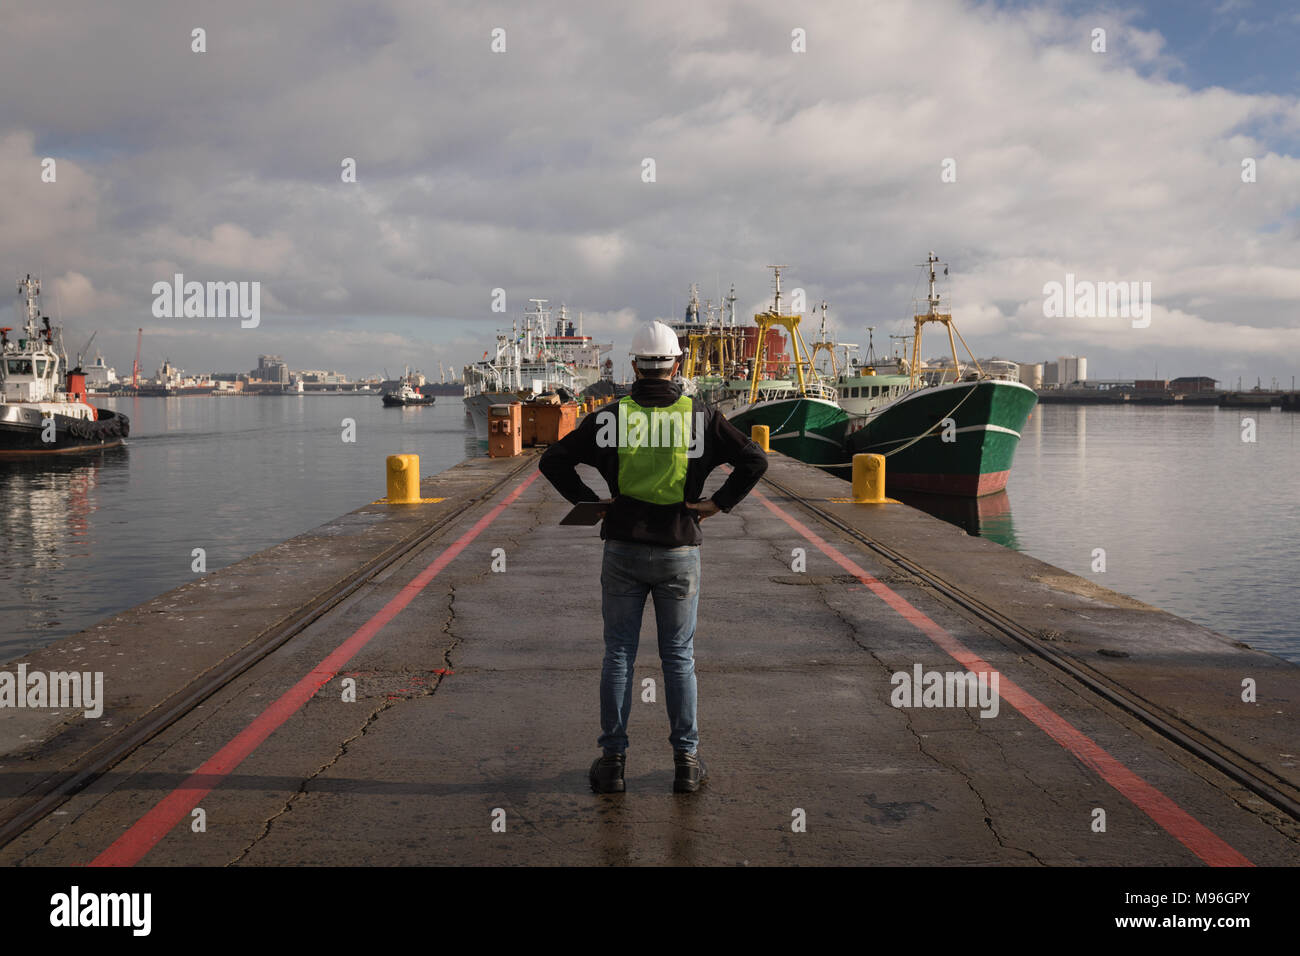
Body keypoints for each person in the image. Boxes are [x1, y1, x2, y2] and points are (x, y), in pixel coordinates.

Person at [539, 319, 768, 794]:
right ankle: (686, 763)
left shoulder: (609, 416)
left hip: (621, 546)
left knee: (618, 654)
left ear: (634, 365)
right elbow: (755, 460)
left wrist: (591, 503)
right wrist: (716, 504)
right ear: (676, 364)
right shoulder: (701, 416)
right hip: (679, 548)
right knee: (678, 658)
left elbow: (552, 460)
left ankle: (613, 763)